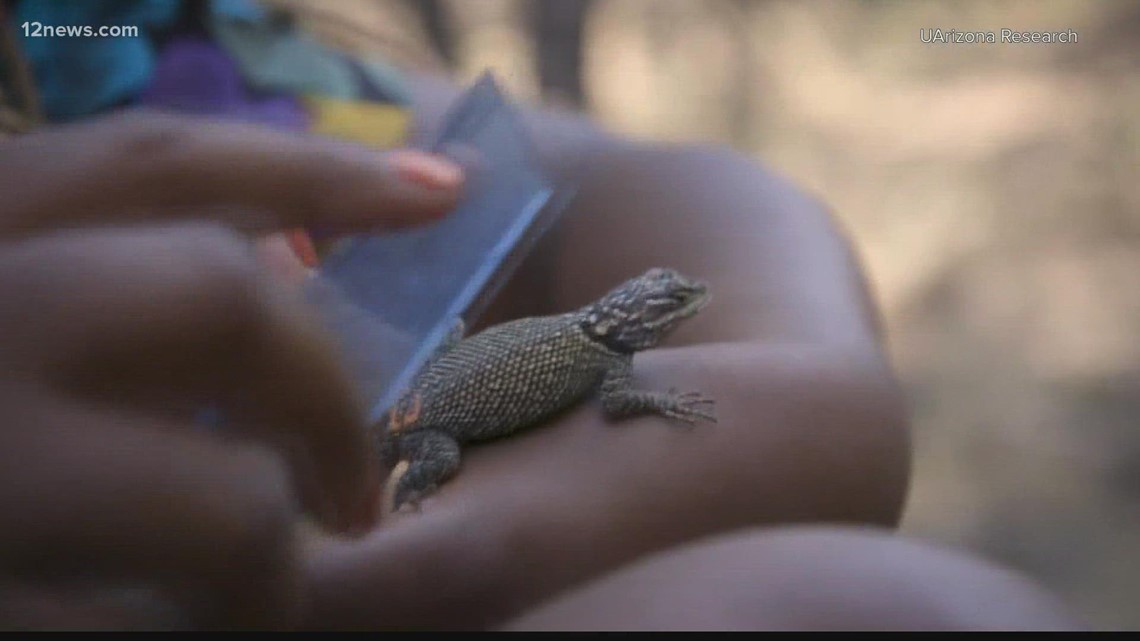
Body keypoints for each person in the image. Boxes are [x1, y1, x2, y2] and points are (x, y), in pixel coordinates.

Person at [0, 0, 1084, 630]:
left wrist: (807, 391)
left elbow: (613, 188)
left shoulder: (96, 37)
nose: (673, 310)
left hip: (381, 485)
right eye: (668, 304)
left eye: (669, 302)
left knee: (893, 608)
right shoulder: (597, 369)